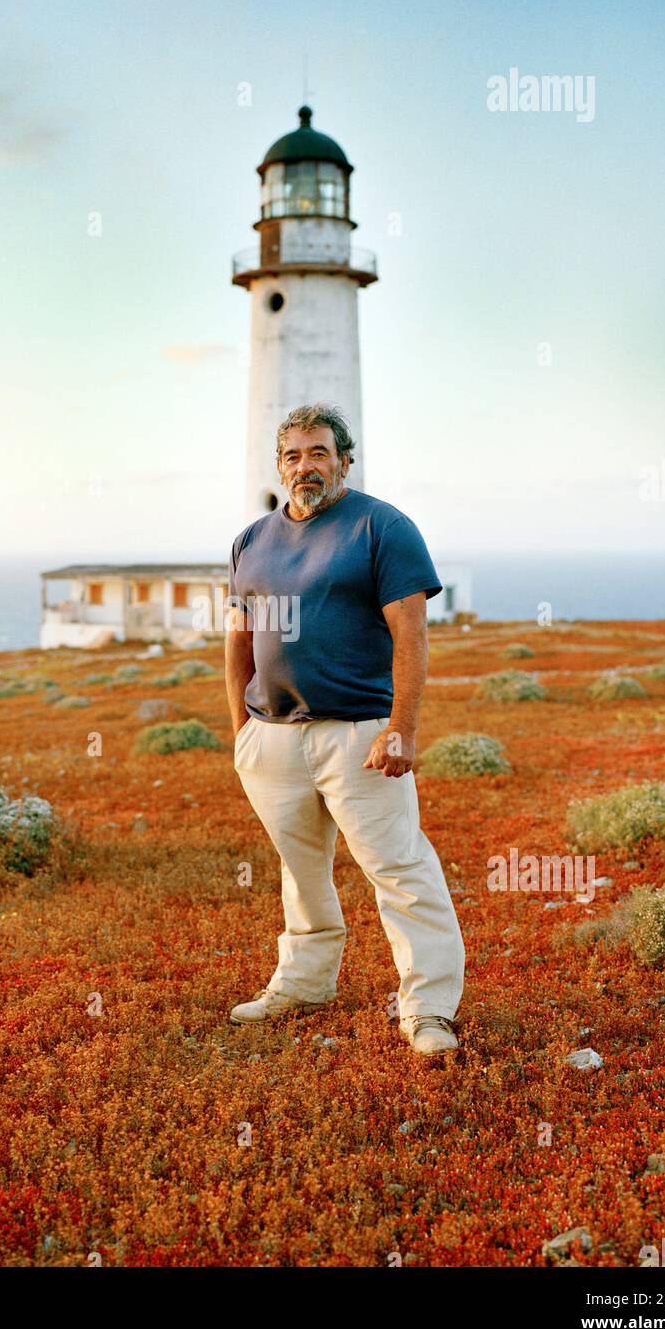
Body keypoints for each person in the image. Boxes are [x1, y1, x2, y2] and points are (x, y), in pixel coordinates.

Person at [224, 404, 465, 1056]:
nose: (306, 466)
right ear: (279, 466)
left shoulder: (381, 527)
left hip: (358, 735)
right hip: (272, 738)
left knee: (400, 870)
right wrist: (240, 728)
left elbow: (409, 633)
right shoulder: (251, 541)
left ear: (343, 460)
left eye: (318, 453)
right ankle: (303, 983)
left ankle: (430, 1010)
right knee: (300, 871)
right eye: (293, 455)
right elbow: (240, 638)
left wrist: (401, 729)